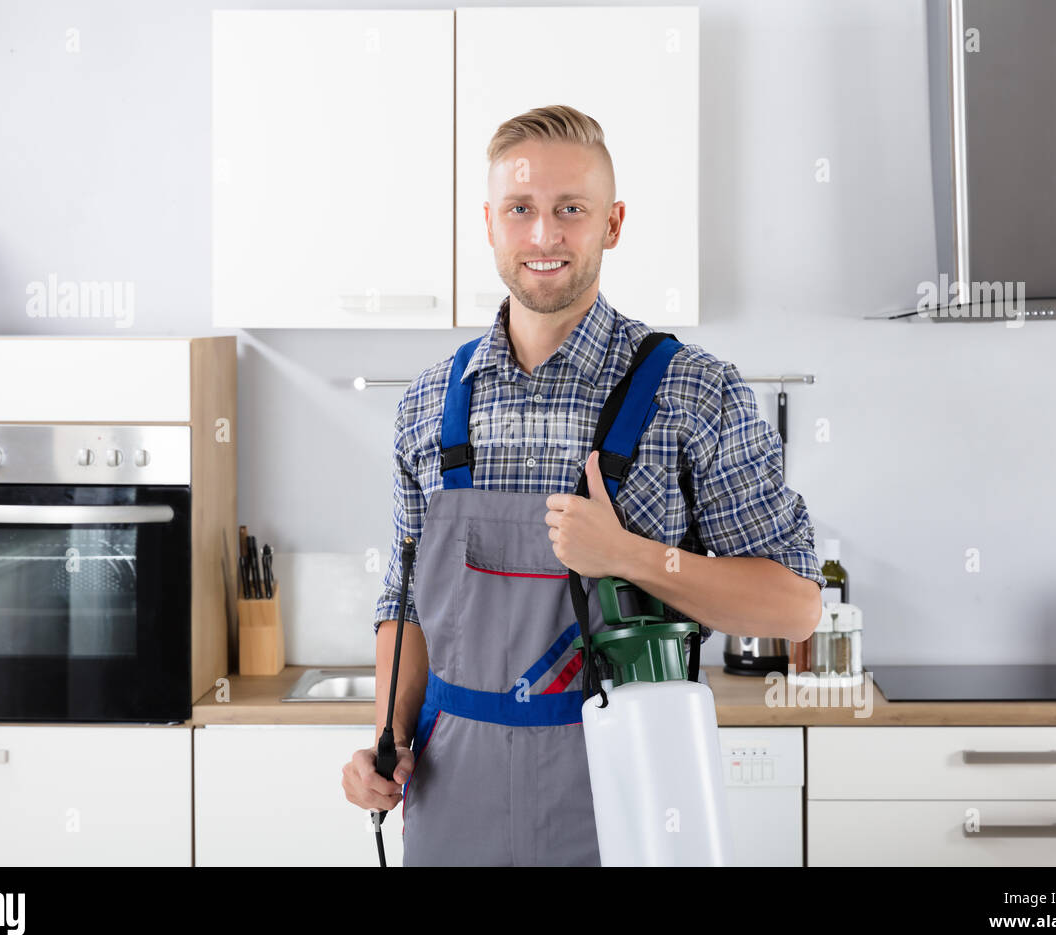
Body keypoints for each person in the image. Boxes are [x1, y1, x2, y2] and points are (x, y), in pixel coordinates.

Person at [342, 105, 824, 865]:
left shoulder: (693, 393)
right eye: (521, 210)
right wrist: (388, 740)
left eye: (571, 209)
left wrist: (630, 556)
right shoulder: (429, 405)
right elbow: (405, 606)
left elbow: (794, 607)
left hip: (627, 804)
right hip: (451, 801)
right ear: (491, 225)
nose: (543, 236)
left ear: (613, 223)